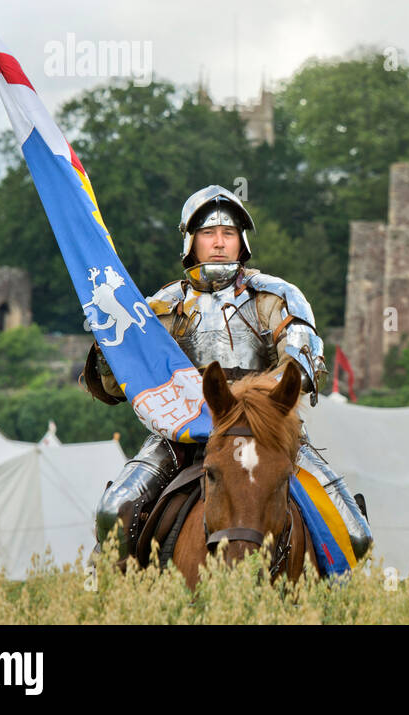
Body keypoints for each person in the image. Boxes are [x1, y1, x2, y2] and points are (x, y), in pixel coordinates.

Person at [84, 185, 372, 564]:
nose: (219, 242)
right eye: (208, 233)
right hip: (180, 437)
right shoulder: (157, 306)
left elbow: (300, 365)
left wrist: (252, 405)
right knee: (114, 511)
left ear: (242, 242)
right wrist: (110, 348)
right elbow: (118, 386)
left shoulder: (275, 296)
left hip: (265, 432)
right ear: (191, 241)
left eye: (228, 233)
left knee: (355, 533)